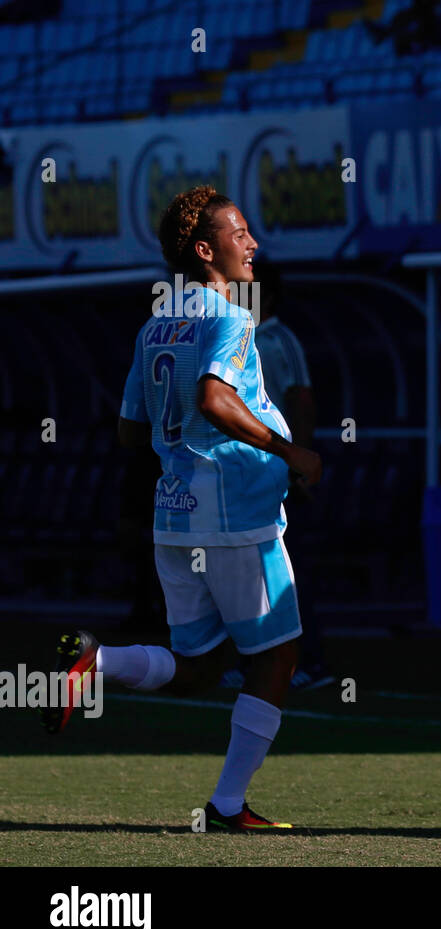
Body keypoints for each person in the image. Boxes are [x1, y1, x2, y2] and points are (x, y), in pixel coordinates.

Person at [43, 185, 322, 832]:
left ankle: (97, 661)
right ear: (205, 249)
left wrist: (182, 450)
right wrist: (293, 453)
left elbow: (129, 431)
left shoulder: (155, 324)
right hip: (234, 513)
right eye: (239, 234)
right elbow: (215, 402)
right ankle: (227, 805)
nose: (252, 244)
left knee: (198, 668)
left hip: (175, 515)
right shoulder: (230, 316)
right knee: (279, 658)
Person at [221, 262, 334, 691]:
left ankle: (313, 662)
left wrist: (296, 465)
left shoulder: (277, 341)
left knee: (288, 573)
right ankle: (256, 663)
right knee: (244, 574)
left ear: (263, 296)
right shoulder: (236, 339)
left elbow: (301, 400)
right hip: (244, 478)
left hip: (276, 476)